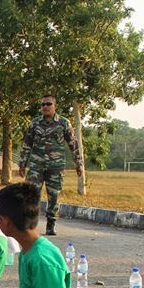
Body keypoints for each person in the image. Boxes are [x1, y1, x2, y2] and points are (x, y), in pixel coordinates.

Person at [17, 94, 83, 236]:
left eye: (48, 104)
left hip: (56, 166)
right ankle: (30, 224)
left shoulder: (64, 123)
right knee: (31, 195)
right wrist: (22, 164)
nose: (45, 107)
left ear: (55, 106)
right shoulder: (35, 123)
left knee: (54, 196)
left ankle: (51, 224)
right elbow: (27, 144)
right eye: (43, 105)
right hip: (36, 166)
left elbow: (73, 144)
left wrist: (79, 163)